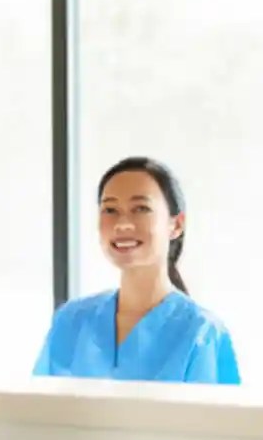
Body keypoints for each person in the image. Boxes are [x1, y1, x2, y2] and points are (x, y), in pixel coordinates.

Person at [32, 156, 241, 384]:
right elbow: (37, 411)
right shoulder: (71, 321)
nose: (122, 224)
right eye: (110, 209)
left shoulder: (202, 334)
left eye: (141, 208)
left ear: (176, 225)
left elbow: (214, 418)